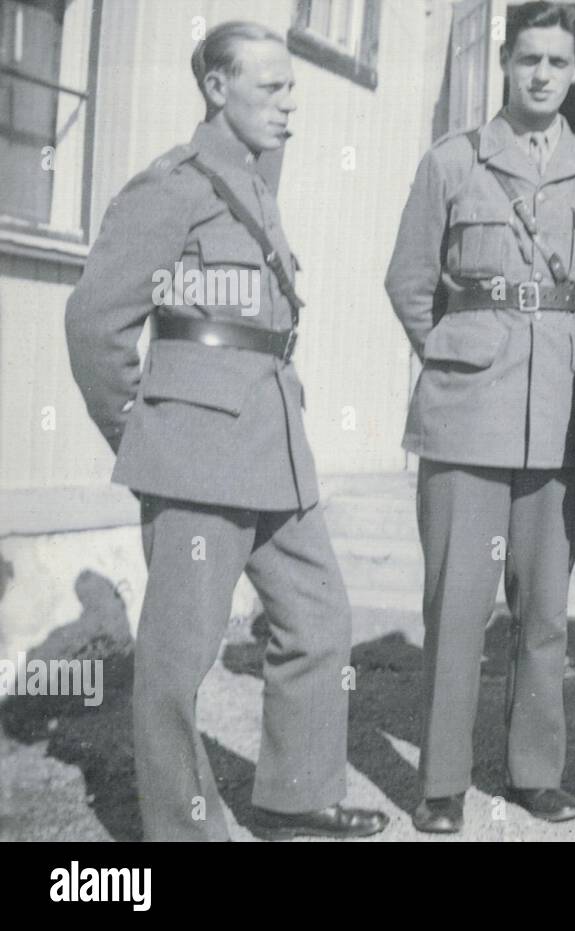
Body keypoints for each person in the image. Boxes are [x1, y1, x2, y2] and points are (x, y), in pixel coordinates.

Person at [64, 21, 387, 841]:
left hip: (273, 446)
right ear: (216, 87)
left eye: (291, 86)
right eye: (271, 87)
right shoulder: (171, 186)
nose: (290, 104)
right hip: (197, 458)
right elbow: (96, 322)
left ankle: (294, 797)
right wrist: (143, 433)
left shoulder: (251, 181)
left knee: (319, 621)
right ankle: (182, 828)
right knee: (177, 664)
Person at [384, 1, 575, 834]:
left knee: (546, 611)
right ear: (506, 61)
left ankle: (534, 771)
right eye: (529, 59)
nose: (543, 75)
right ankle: (441, 780)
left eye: (558, 62)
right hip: (464, 420)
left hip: (557, 423)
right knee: (456, 606)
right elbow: (409, 283)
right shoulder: (451, 163)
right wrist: (459, 355)